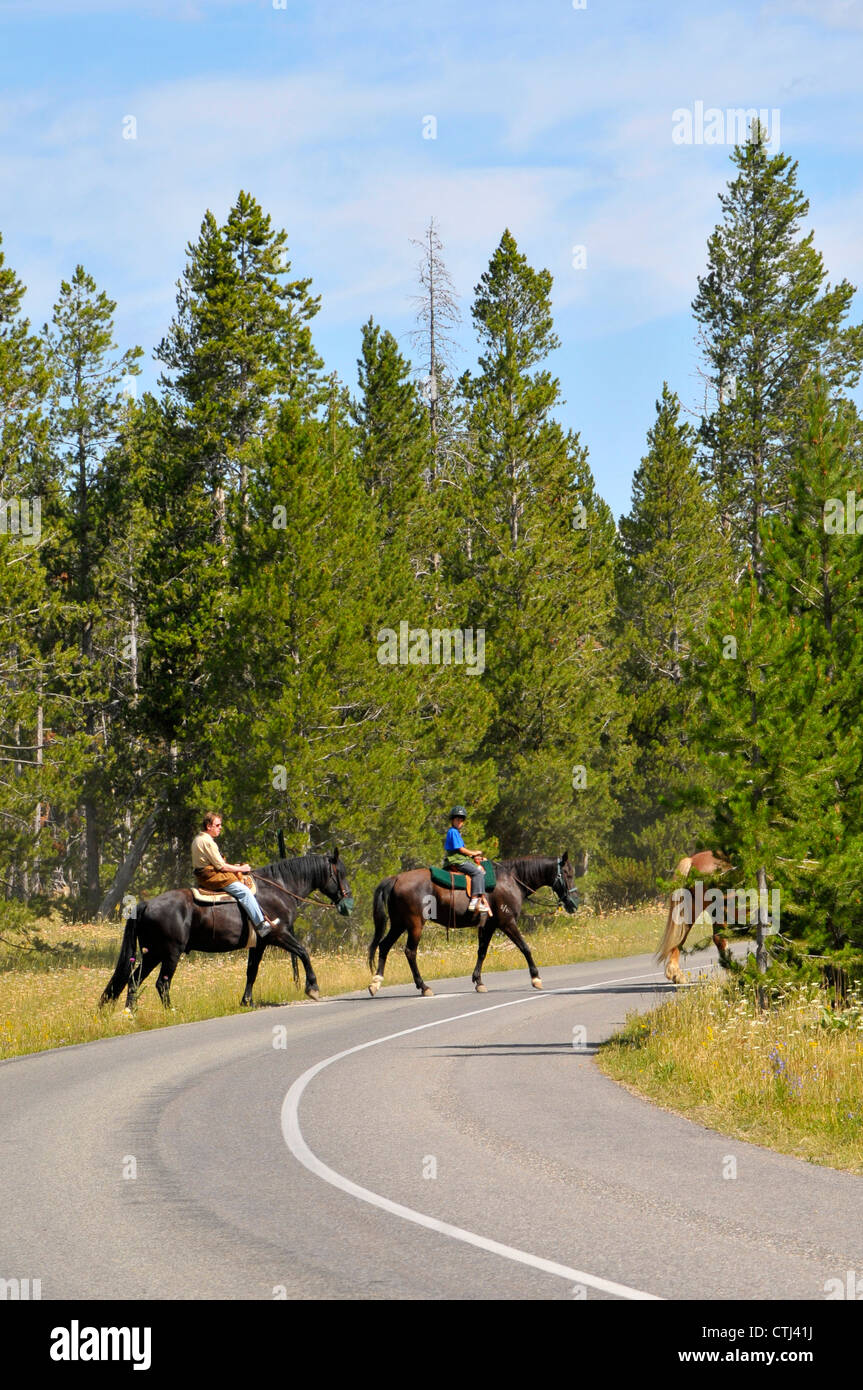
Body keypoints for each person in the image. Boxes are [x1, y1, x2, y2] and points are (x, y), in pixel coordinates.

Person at [191, 812, 280, 941]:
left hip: (206, 875)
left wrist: (234, 866)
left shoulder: (198, 839)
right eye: (217, 825)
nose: (220, 827)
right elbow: (221, 866)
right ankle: (261, 926)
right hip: (212, 877)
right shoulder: (207, 842)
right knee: (244, 891)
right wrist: (241, 869)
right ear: (208, 826)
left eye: (220, 825)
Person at [442, 806, 490, 914]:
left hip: (460, 858)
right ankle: (474, 900)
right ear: (452, 820)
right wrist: (473, 852)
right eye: (457, 819)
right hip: (456, 860)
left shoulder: (456, 832)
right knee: (478, 873)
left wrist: (473, 856)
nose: (459, 821)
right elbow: (461, 849)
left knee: (479, 869)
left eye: (461, 819)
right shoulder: (453, 832)